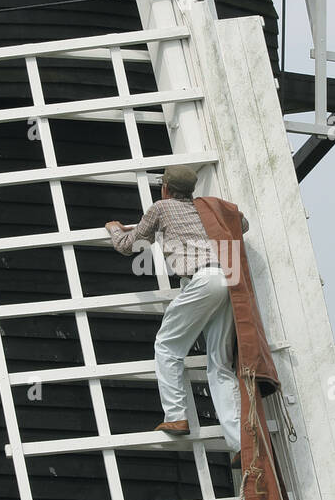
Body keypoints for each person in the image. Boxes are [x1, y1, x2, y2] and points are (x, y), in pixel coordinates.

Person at [105, 166, 248, 465]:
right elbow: (242, 225)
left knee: (167, 346)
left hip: (203, 281)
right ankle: (239, 445)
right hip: (229, 278)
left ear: (166, 188)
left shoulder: (160, 208)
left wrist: (115, 229)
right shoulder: (206, 208)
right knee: (220, 365)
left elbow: (127, 247)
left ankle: (176, 417)